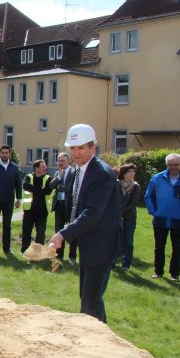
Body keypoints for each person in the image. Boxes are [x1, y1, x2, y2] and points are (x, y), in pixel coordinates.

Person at [48, 124, 122, 323]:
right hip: (90, 244)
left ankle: (98, 346)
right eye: (73, 148)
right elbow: (78, 207)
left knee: (90, 302)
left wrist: (63, 233)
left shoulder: (102, 174)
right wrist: (69, 231)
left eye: (81, 148)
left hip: (102, 245)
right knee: (88, 298)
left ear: (93, 148)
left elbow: (92, 213)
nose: (76, 152)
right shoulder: (80, 170)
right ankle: (98, 340)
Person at [144, 153, 180, 281]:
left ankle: (175, 274)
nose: (173, 167)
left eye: (176, 165)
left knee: (177, 247)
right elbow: (148, 196)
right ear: (166, 165)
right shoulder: (157, 178)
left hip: (179, 220)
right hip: (160, 219)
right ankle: (158, 272)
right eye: (170, 165)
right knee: (159, 247)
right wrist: (154, 211)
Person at [49, 152, 77, 262]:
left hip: (70, 206)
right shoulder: (57, 173)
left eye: (62, 161)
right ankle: (59, 255)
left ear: (68, 161)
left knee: (72, 230)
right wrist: (59, 177)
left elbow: (71, 189)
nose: (60, 163)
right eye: (58, 161)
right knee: (59, 230)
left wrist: (60, 187)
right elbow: (51, 186)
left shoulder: (74, 172)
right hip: (59, 206)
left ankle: (72, 256)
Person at [20, 159, 53, 253]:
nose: (45, 168)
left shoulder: (48, 178)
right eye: (43, 166)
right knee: (26, 232)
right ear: (36, 168)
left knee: (41, 234)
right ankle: (25, 251)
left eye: (45, 166)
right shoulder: (29, 177)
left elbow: (47, 191)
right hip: (29, 210)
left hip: (42, 212)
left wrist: (34, 189)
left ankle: (38, 253)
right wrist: (40, 190)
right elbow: (25, 186)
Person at [117, 163, 141, 272]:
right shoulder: (117, 184)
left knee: (128, 241)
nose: (132, 174)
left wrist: (121, 214)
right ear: (123, 173)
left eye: (133, 172)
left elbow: (133, 204)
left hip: (129, 217)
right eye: (129, 172)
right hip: (115, 216)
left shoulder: (136, 186)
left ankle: (126, 264)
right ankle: (112, 262)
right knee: (115, 240)